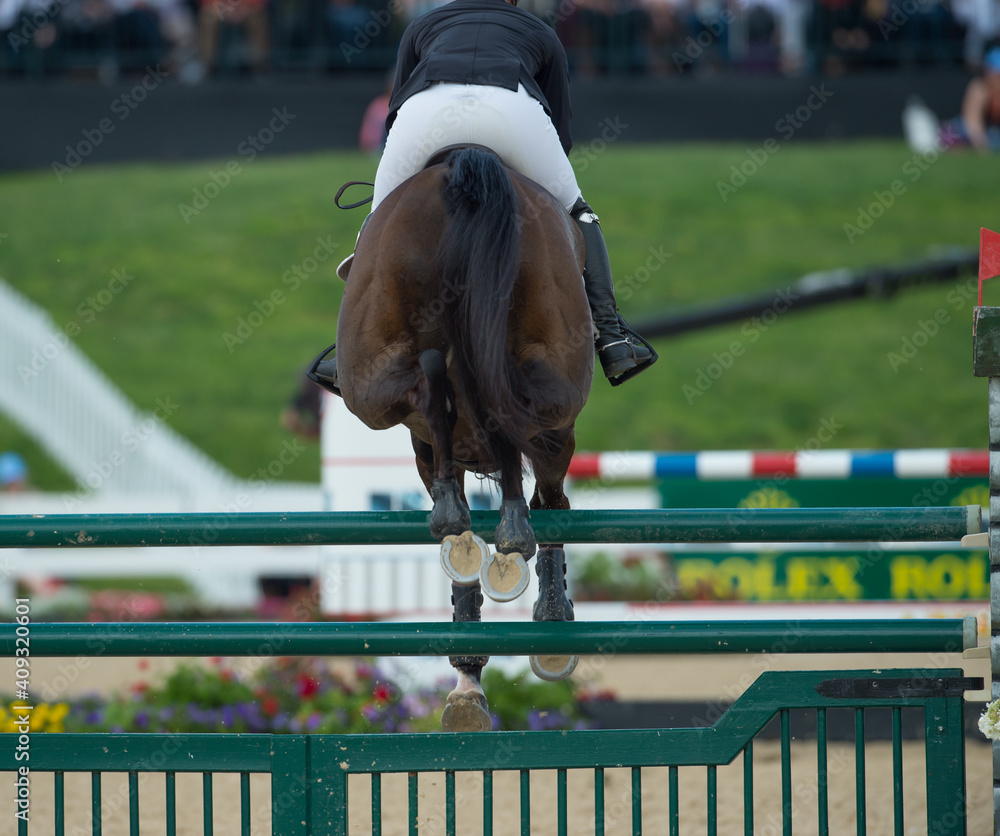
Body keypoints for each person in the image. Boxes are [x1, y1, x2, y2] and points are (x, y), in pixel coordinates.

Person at [333, 0, 657, 386]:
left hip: (426, 114)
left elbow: (396, 103)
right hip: (511, 110)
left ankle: (350, 349)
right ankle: (612, 336)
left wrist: (405, 169)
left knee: (380, 217)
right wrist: (542, 179)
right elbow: (559, 124)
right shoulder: (541, 32)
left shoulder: (423, 25)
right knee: (579, 212)